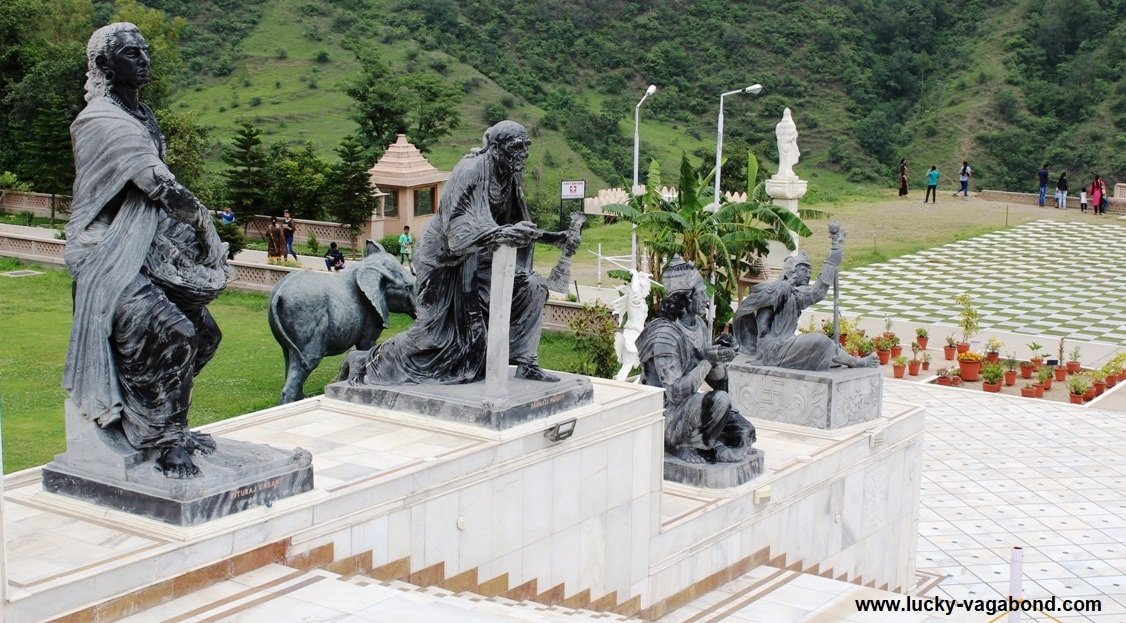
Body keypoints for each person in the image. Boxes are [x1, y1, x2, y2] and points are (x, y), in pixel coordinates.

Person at [64, 23, 229, 478]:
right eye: (131, 53)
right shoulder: (101, 120)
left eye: (144, 51)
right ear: (104, 65)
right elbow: (160, 186)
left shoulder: (142, 115)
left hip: (144, 245)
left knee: (206, 335)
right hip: (103, 249)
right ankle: (165, 438)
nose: (143, 58)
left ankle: (158, 417)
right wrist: (204, 226)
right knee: (173, 330)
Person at [354, 120, 580, 386]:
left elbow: (516, 227)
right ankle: (366, 361)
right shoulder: (471, 170)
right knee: (434, 337)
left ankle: (526, 361)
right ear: (495, 148)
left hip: (479, 255)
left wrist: (555, 238)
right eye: (517, 147)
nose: (524, 154)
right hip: (444, 260)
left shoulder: (509, 176)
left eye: (526, 147)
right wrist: (499, 234)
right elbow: (456, 232)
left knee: (532, 287)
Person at [636, 257, 756, 465]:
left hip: (691, 408)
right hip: (666, 415)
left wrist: (719, 358)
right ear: (686, 299)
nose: (706, 297)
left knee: (744, 431)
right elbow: (674, 393)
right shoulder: (665, 335)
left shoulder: (699, 326)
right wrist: (707, 360)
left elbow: (717, 382)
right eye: (701, 292)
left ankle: (710, 444)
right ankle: (685, 446)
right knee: (720, 402)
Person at [733, 226, 878, 371]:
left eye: (809, 271)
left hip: (774, 345)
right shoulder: (784, 289)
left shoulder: (783, 290)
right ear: (791, 272)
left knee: (822, 344)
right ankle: (854, 362)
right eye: (804, 270)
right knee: (820, 341)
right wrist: (831, 262)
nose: (808, 274)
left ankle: (849, 360)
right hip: (776, 348)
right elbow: (818, 292)